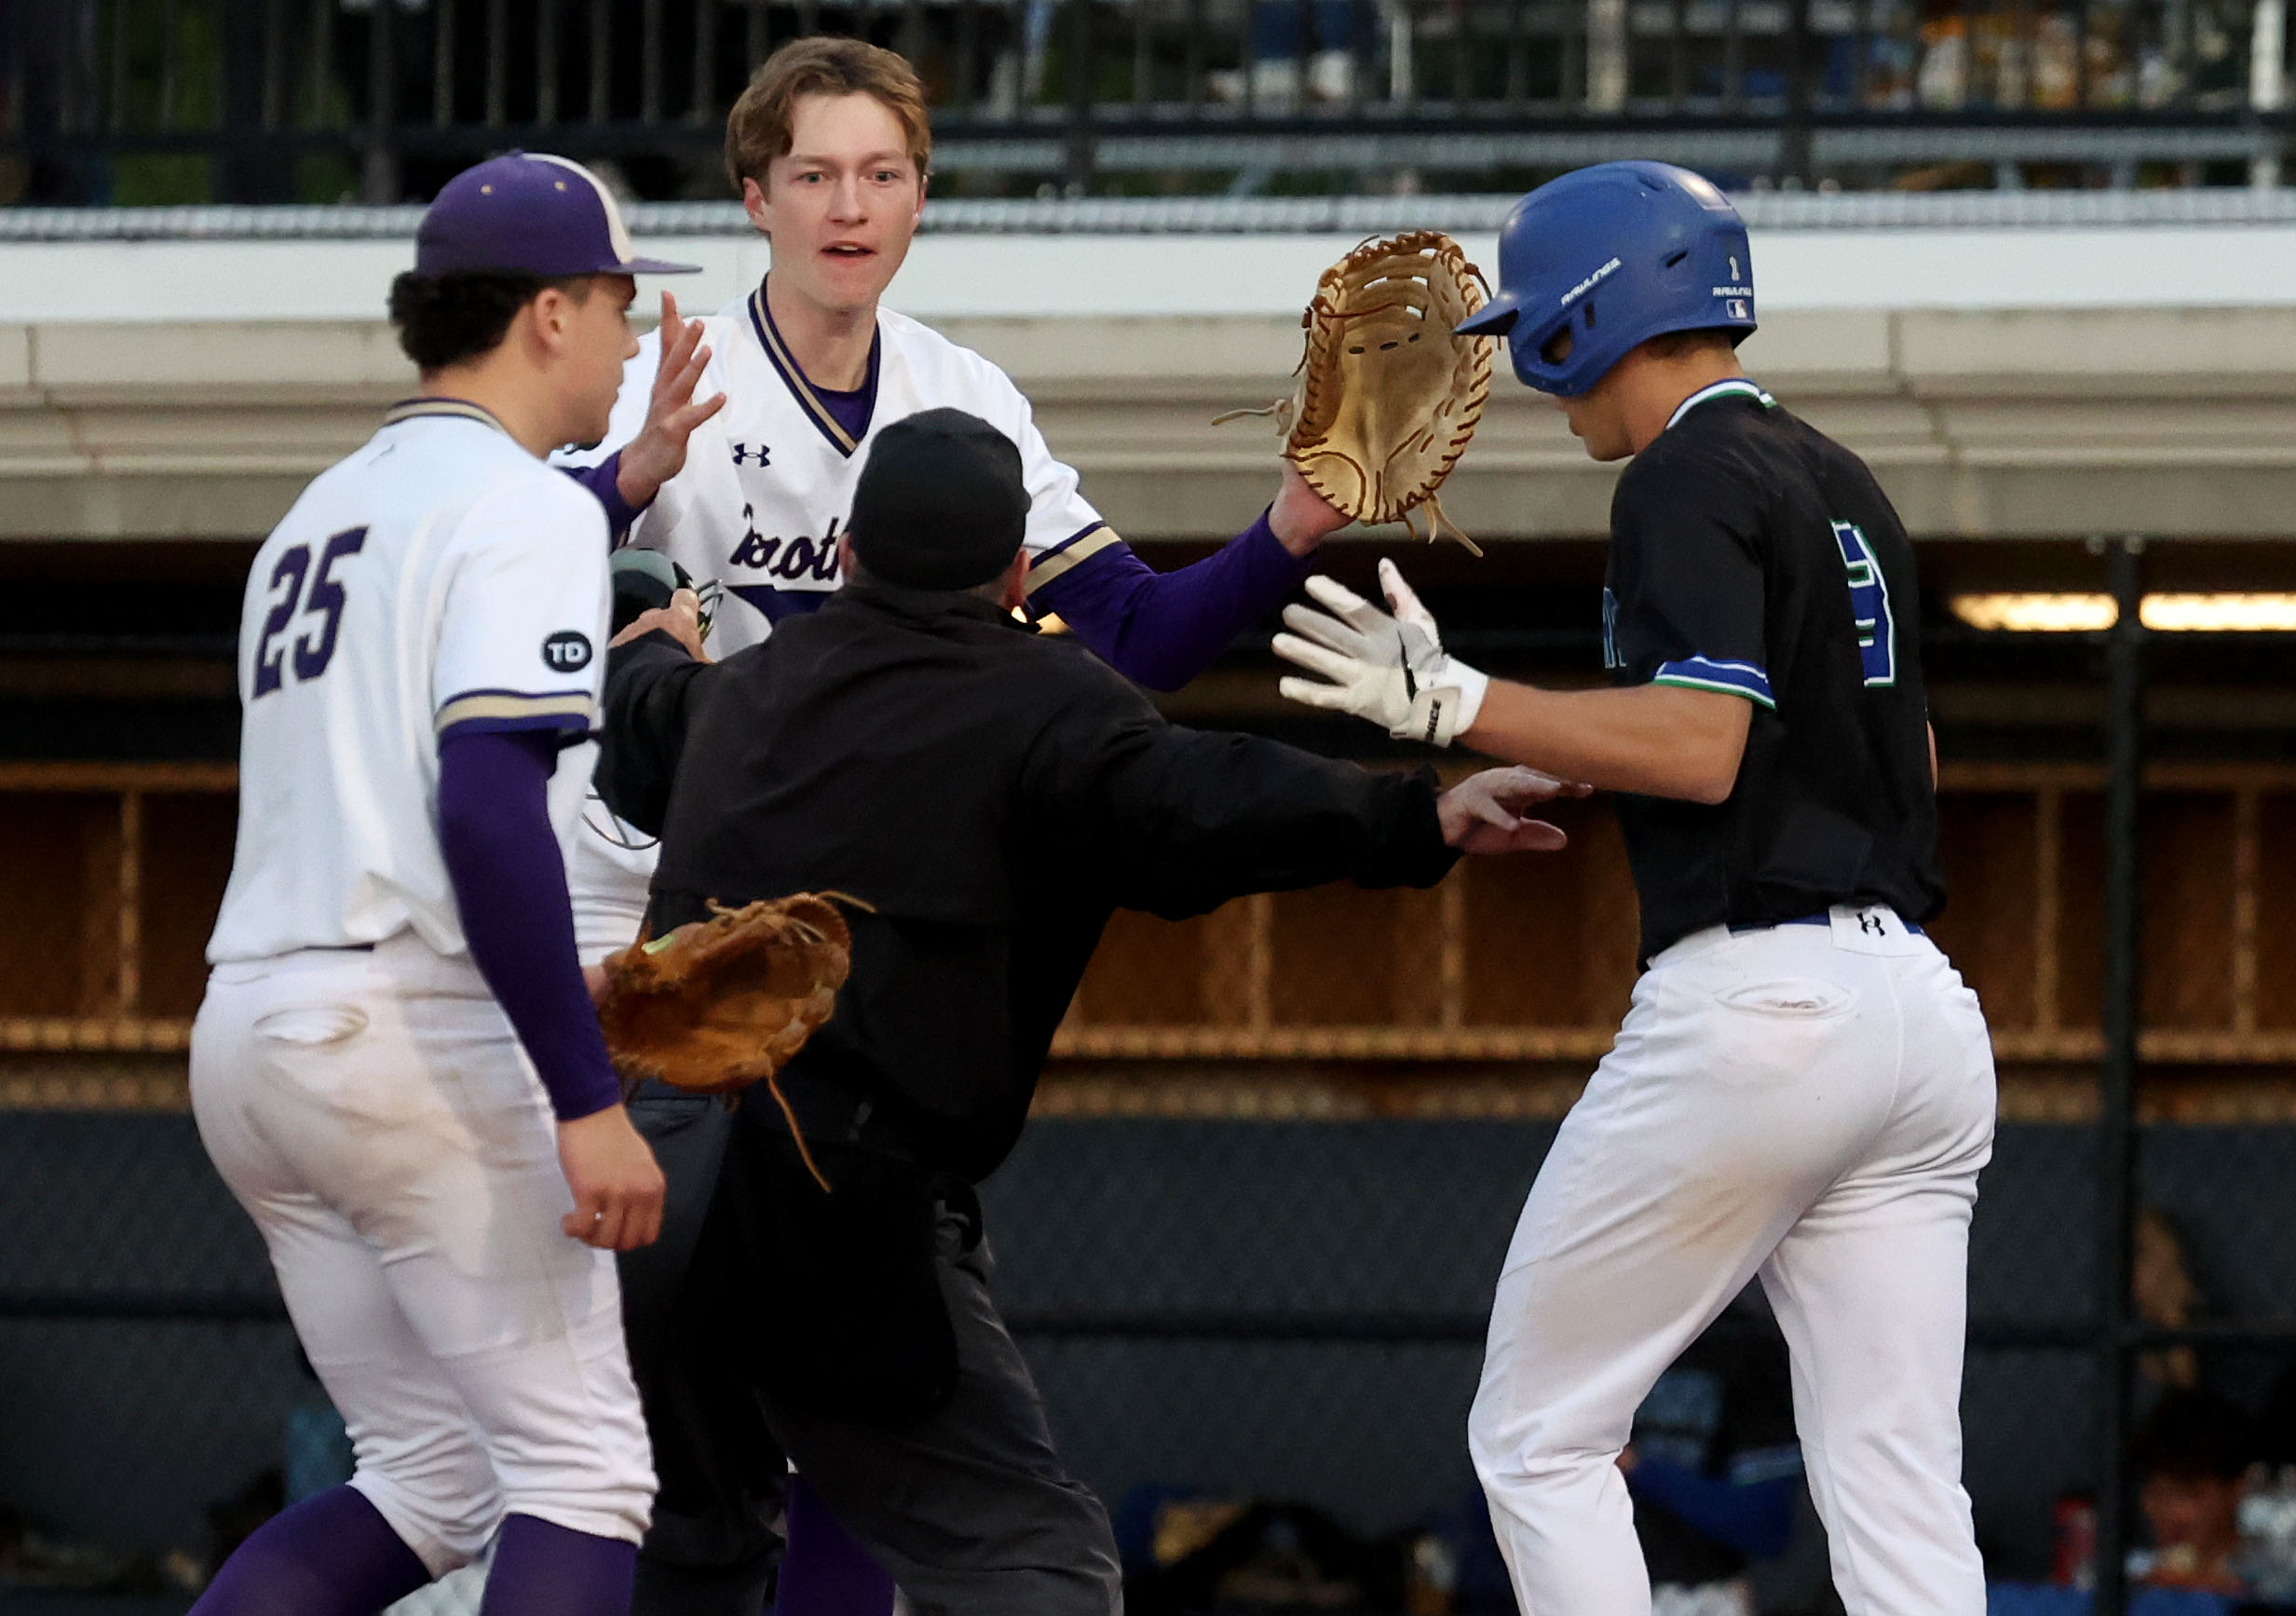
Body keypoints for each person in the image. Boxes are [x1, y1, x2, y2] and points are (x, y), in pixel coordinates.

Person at [595, 406, 1576, 1616]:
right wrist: (1417, 815)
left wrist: (644, 635)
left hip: (649, 1185)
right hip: (831, 1191)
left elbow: (642, 718)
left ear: (848, 553)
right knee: (1034, 1562)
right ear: (1016, 569)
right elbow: (1206, 799)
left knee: (701, 1544)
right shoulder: (1044, 704)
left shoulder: (740, 691)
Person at [1271, 159, 1996, 1616]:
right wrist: (1585, 755)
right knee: (1898, 1472)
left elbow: (1706, 745)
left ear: (1595, 314)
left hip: (1765, 1007)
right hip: (1920, 1013)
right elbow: (1886, 748)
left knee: (1538, 1433)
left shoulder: (1682, 473)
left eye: (1541, 331)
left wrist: (1459, 702)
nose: (1537, 374)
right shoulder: (1834, 469)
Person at [554, 33, 1352, 961]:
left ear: (919, 199)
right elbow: (502, 571)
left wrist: (1290, 525)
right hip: (630, 866)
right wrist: (631, 476)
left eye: (881, 175)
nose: (849, 208)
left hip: (851, 876)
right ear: (756, 200)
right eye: (813, 176)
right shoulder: (669, 372)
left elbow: (1149, 637)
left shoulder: (967, 398)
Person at [187, 153, 690, 1616]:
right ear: (548, 313)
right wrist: (586, 1099)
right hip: (405, 1029)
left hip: (253, 1032)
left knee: (430, 1478)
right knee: (582, 1473)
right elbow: (485, 811)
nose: (628, 335)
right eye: (614, 302)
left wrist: (615, 485)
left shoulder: (317, 512)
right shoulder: (521, 505)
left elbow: (453, 556)